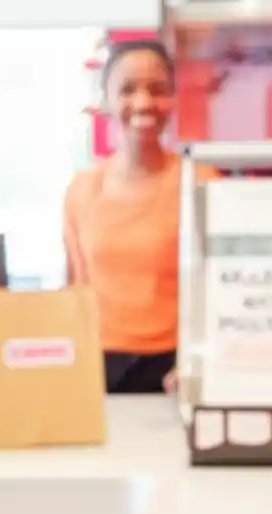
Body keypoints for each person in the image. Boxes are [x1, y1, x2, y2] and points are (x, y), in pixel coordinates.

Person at [62, 40, 216, 394]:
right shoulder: (81, 190)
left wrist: (200, 362)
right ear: (106, 100)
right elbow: (75, 289)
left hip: (178, 369)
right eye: (127, 90)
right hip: (96, 369)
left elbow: (221, 289)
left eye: (158, 90)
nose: (144, 103)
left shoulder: (204, 184)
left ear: (174, 99)